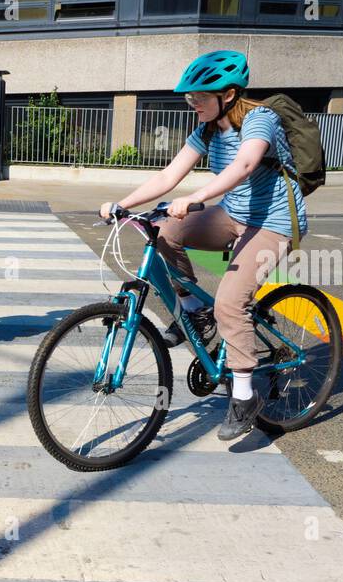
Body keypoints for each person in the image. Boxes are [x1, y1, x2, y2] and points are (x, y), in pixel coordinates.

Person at [99, 50, 308, 442]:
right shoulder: (207, 130)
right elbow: (169, 174)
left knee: (231, 301)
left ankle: (244, 397)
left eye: (199, 96)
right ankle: (195, 310)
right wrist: (123, 205)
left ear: (227, 95)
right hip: (232, 215)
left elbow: (245, 165)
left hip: (273, 224)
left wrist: (197, 198)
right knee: (162, 231)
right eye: (189, 97)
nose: (192, 103)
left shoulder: (261, 119)